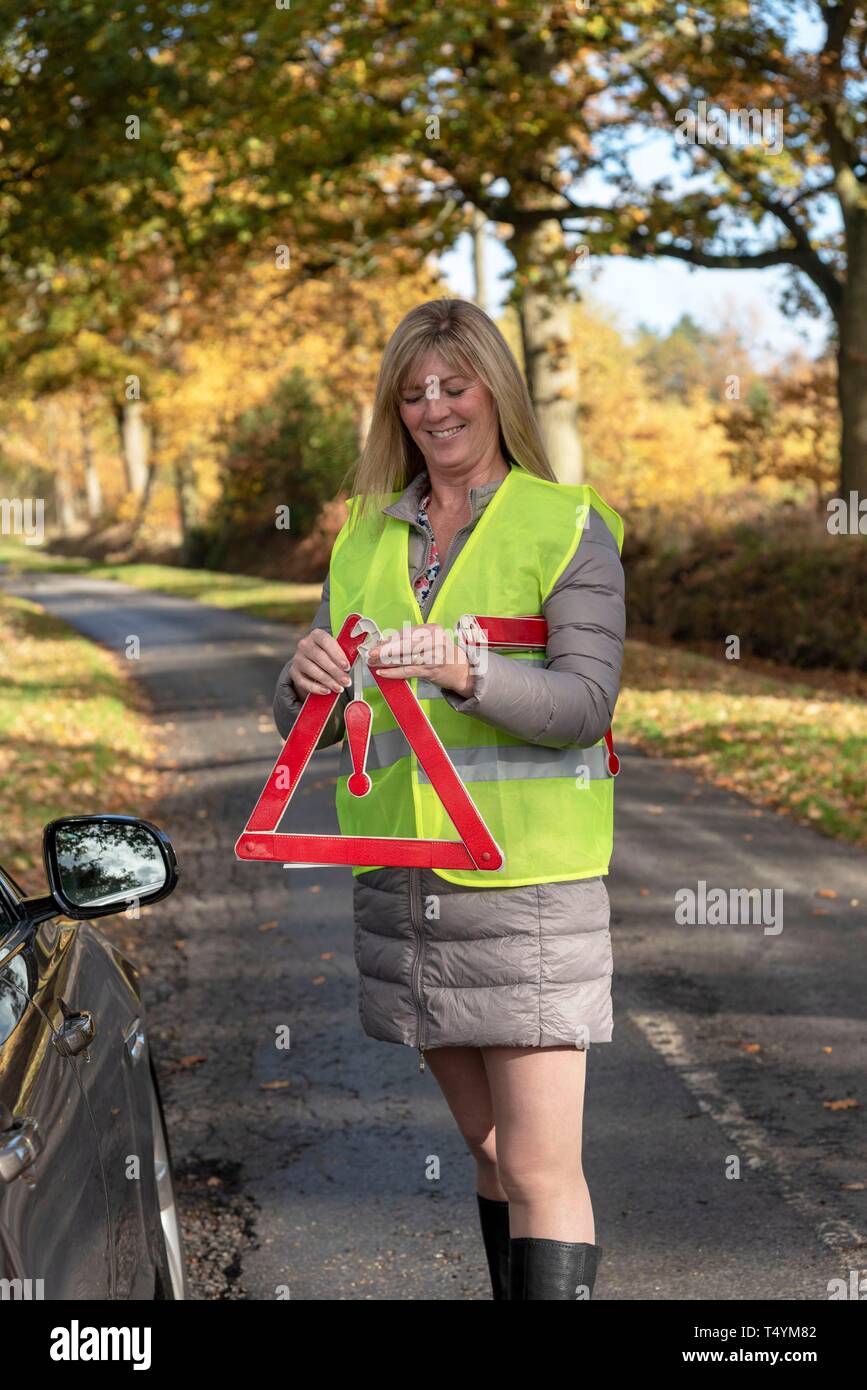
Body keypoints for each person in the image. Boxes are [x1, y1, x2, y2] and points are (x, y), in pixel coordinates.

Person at [273, 297, 625, 1300]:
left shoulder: (566, 525)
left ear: (495, 389)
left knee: (542, 1165)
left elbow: (584, 702)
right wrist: (298, 679)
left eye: (453, 384)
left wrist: (472, 676)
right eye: (413, 391)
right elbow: (311, 721)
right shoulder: (363, 542)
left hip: (528, 885)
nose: (434, 407)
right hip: (403, 880)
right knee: (492, 1154)